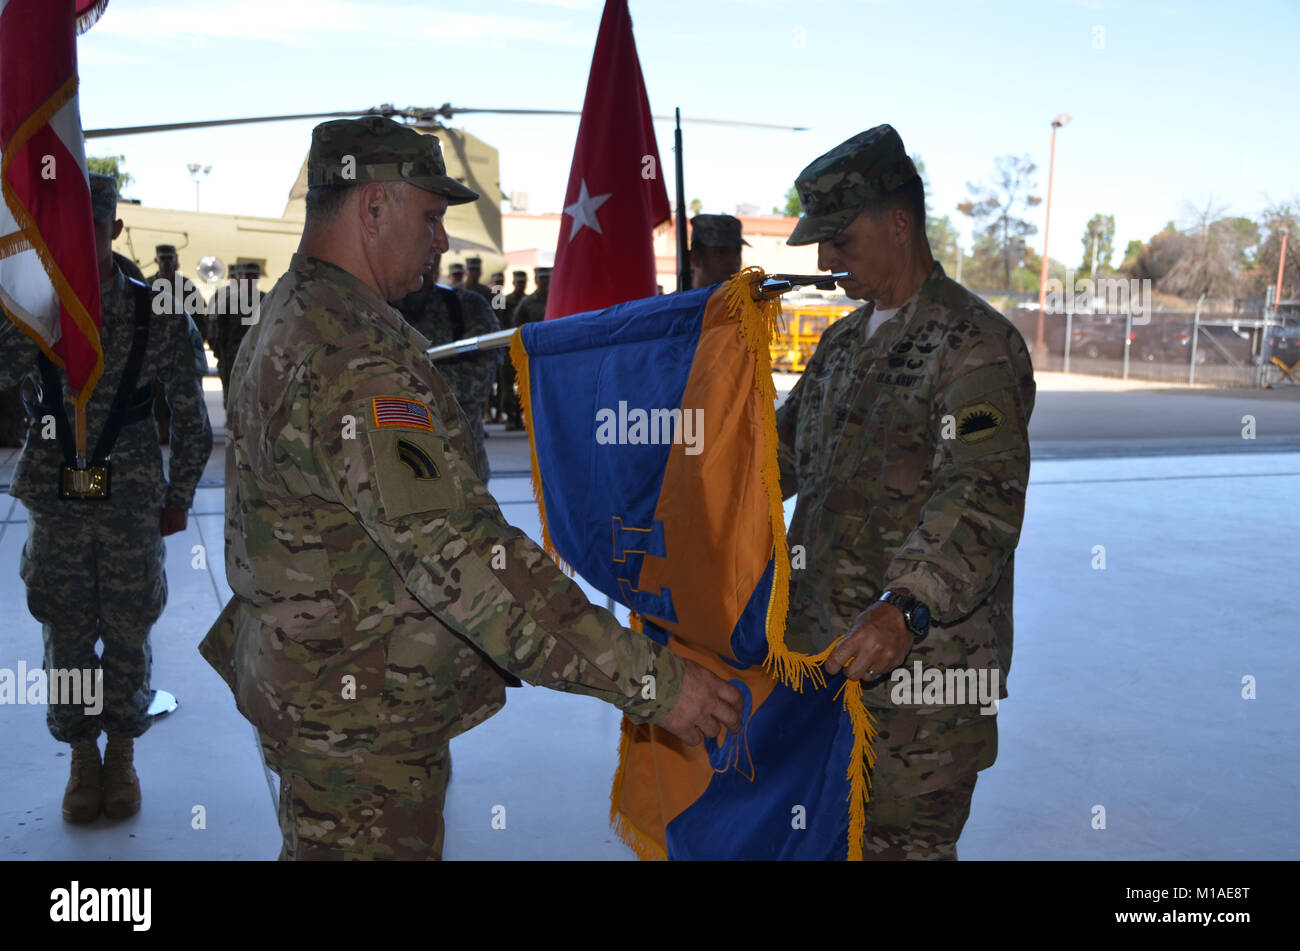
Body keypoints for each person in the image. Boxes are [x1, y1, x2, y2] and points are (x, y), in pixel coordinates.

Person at [198, 116, 742, 861]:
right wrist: (655, 682)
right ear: (374, 208)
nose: (442, 241)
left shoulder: (293, 313)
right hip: (360, 729)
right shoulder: (356, 357)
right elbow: (464, 558)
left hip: (319, 694)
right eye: (431, 217)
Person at [777, 125, 1035, 860]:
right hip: (829, 669)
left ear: (899, 225)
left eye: (840, 241)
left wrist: (906, 605)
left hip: (925, 686)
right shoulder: (842, 344)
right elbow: (781, 455)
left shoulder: (974, 345)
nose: (827, 262)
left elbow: (981, 493)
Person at [0, 173, 213, 823]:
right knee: (66, 636)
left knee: (127, 630)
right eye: (62, 233)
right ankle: (81, 756)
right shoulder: (31, 311)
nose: (79, 245)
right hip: (57, 501)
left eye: (92, 229)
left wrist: (179, 494)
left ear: (115, 229)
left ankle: (121, 748)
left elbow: (191, 414)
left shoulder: (159, 312)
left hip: (129, 502)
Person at [395, 251, 500, 479]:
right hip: (395, 461)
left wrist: (404, 384)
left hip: (460, 460)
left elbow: (482, 374)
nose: (434, 253)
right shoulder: (374, 305)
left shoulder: (468, 303)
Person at [210, 263, 265, 407]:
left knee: (255, 399)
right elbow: (219, 331)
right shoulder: (229, 302)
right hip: (232, 358)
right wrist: (221, 354)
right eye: (247, 276)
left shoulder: (266, 300)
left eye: (253, 276)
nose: (250, 280)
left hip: (257, 358)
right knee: (231, 399)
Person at [495, 269, 529, 429]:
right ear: (513, 283)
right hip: (508, 347)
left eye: (523, 282)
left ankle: (521, 416)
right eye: (518, 282)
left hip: (524, 348)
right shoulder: (503, 299)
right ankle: (510, 416)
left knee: (525, 384)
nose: (521, 285)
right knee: (507, 384)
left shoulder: (529, 301)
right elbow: (497, 318)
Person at [689, 213, 748, 287]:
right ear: (695, 257)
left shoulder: (745, 297)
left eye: (737, 251)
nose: (733, 259)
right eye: (721, 252)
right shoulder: (676, 298)